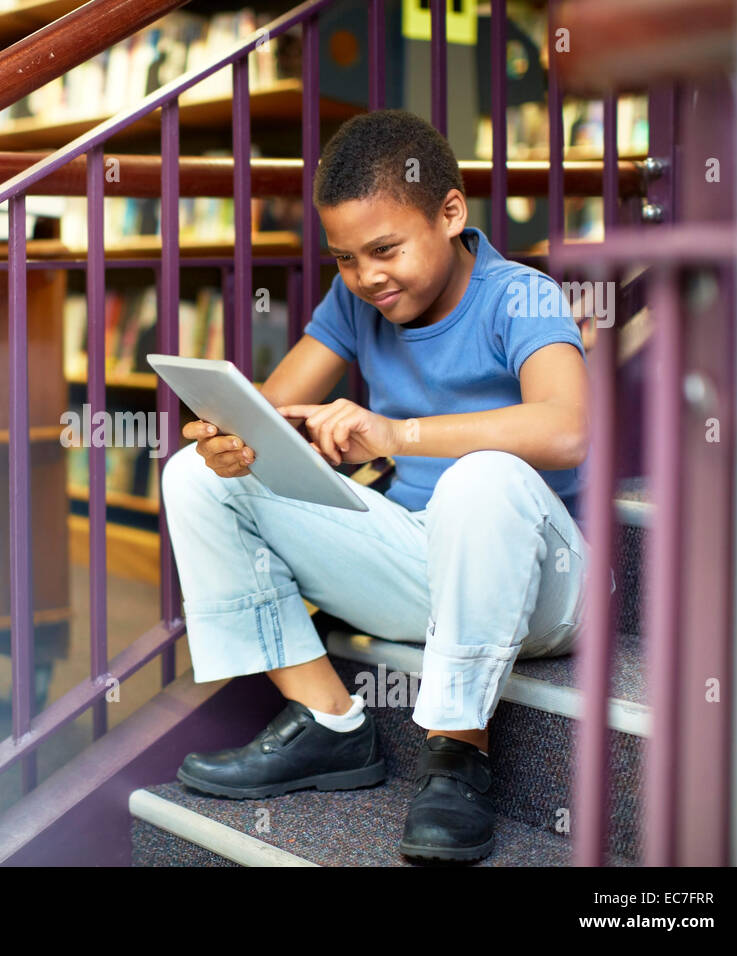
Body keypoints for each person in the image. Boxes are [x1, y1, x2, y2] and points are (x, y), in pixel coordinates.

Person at [160, 109, 616, 863]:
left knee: (484, 479)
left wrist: (395, 434)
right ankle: (328, 720)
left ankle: (458, 754)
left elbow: (568, 428)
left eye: (384, 250)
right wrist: (235, 442)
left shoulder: (522, 295)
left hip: (547, 587)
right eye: (344, 258)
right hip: (422, 564)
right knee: (198, 478)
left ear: (450, 212)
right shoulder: (356, 303)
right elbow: (269, 412)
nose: (366, 277)